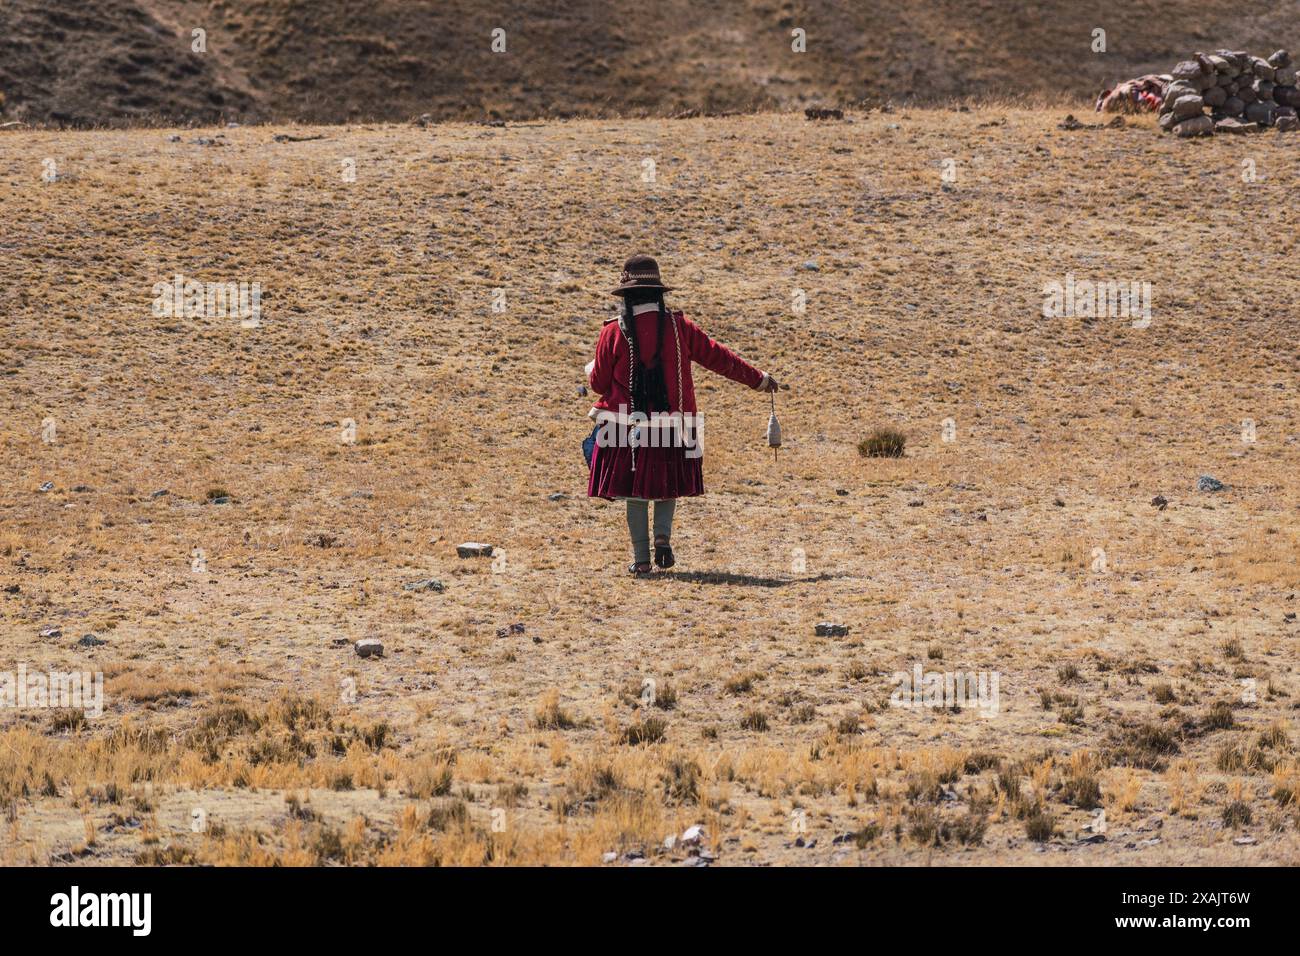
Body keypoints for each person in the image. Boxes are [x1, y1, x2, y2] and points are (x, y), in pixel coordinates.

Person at [585, 254, 779, 575]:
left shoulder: (611, 332)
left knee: (635, 496)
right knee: (665, 485)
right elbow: (719, 358)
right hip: (677, 424)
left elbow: (598, 384)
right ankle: (662, 537)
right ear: (659, 292)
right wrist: (759, 379)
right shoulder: (680, 327)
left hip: (624, 427)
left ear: (626, 295)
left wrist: (592, 369)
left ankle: (642, 560)